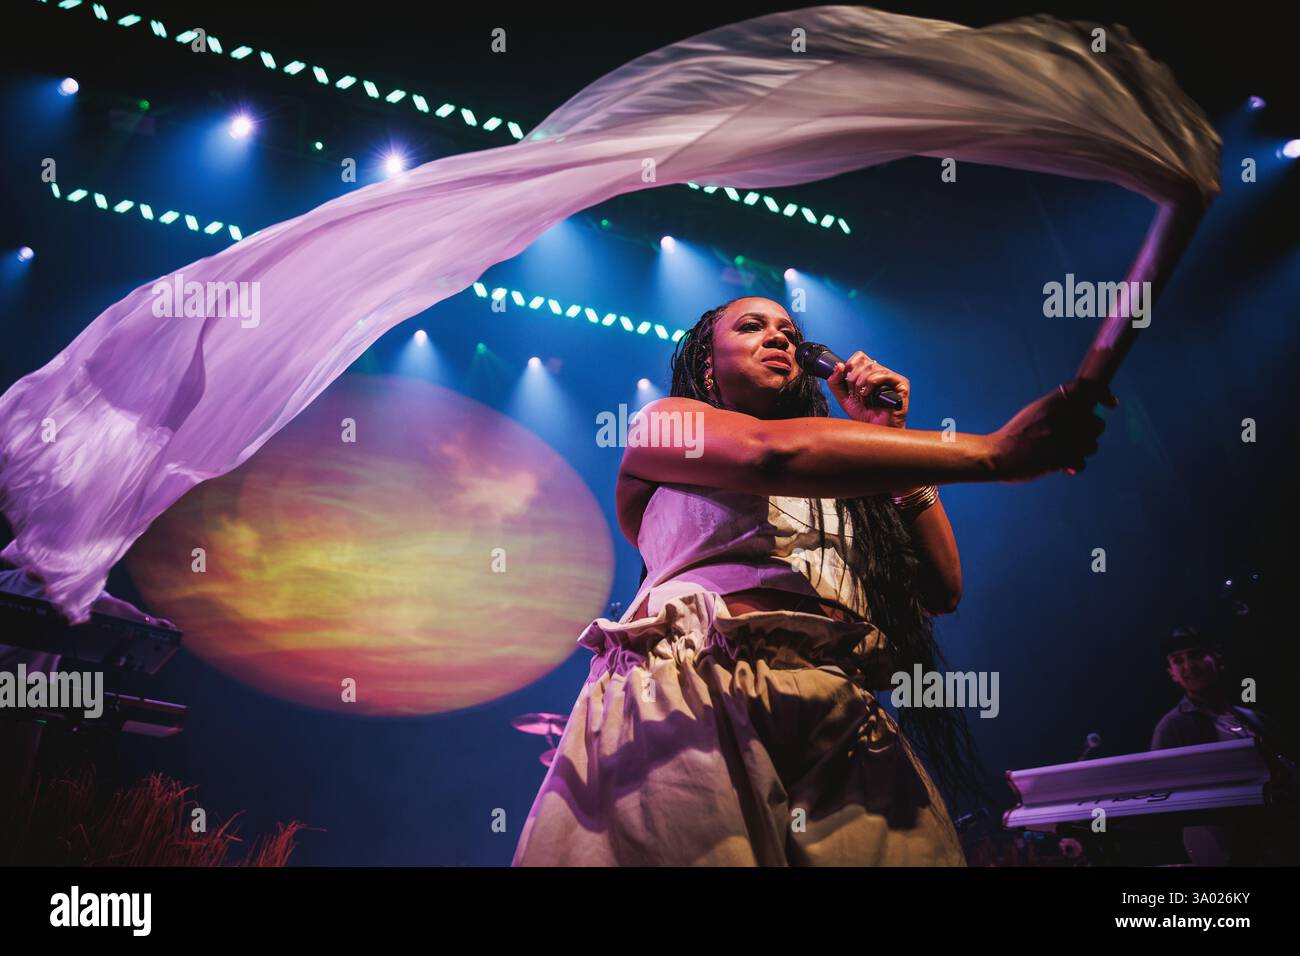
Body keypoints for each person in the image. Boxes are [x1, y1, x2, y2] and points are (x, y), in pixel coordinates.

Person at [512, 296, 1112, 866]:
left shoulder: (840, 470)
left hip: (837, 701)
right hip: (694, 686)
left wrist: (890, 434)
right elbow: (764, 453)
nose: (779, 336)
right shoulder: (660, 425)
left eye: (790, 333)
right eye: (751, 327)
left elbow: (941, 590)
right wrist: (993, 453)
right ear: (705, 362)